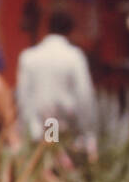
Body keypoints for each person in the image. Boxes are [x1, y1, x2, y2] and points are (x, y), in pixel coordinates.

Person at [16, 9, 97, 157]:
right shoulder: (74, 56)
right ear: (71, 30)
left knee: (41, 172)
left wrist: (26, 129)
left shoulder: (29, 56)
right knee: (59, 170)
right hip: (63, 127)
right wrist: (87, 131)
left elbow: (23, 96)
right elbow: (84, 95)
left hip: (37, 128)